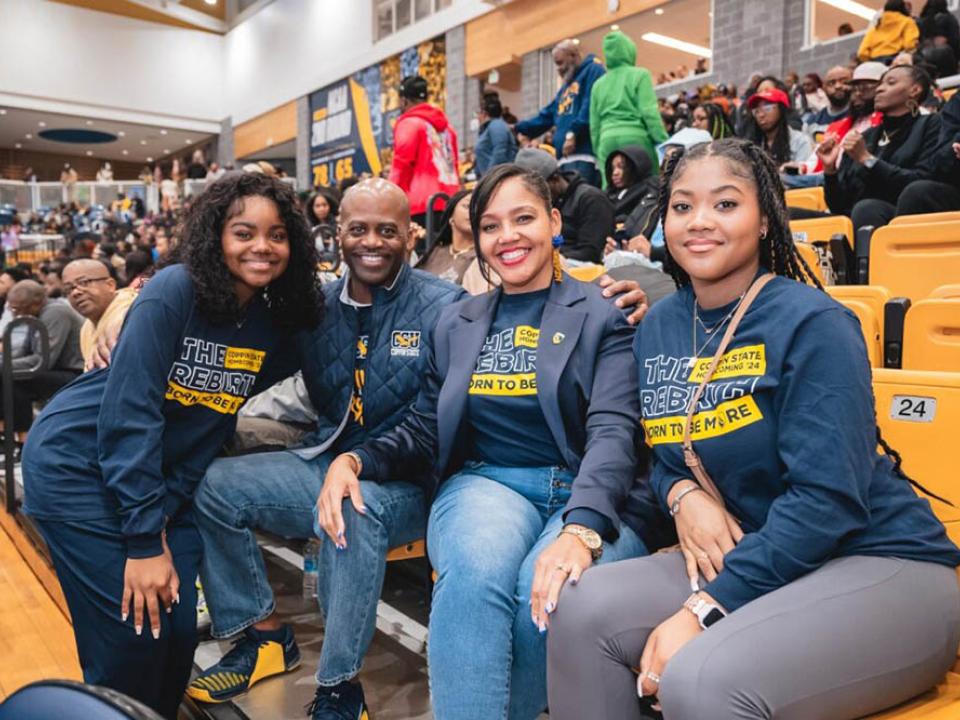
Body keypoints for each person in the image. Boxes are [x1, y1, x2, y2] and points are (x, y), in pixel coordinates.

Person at [547, 137, 960, 720]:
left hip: (881, 564)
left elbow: (827, 502)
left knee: (701, 678)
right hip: (759, 548)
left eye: (725, 204)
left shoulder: (816, 324)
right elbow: (664, 449)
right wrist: (681, 492)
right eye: (683, 206)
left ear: (766, 219)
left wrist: (703, 608)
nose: (700, 223)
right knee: (582, 607)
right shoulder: (661, 323)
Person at [320, 164, 649, 720]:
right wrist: (355, 458)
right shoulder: (458, 320)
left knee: (542, 597)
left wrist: (582, 528)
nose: (508, 237)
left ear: (553, 221)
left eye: (523, 218)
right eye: (491, 225)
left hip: (586, 489)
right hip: (487, 482)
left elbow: (614, 432)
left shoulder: (604, 311)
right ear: (478, 241)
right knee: (473, 578)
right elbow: (426, 423)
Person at [21, 173, 322, 720]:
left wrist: (165, 511)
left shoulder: (275, 324)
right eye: (244, 232)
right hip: (77, 465)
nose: (262, 246)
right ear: (216, 236)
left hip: (160, 477)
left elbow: (209, 421)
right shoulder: (174, 290)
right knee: (132, 632)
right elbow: (129, 414)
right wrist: (143, 539)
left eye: (277, 235)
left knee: (177, 629)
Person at [186, 179, 466, 712]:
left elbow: (435, 419)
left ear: (410, 235)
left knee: (349, 510)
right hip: (324, 460)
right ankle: (263, 637)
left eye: (387, 231)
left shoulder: (445, 305)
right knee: (214, 487)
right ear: (337, 233)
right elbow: (236, 335)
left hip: (412, 481)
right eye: (358, 229)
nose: (372, 242)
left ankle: (340, 685)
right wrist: (129, 308)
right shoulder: (314, 306)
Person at [821, 65, 940, 231]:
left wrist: (867, 160)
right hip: (859, 216)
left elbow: (920, 183)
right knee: (790, 214)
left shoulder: (932, 125)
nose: (880, 89)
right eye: (880, 84)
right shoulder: (866, 136)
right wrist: (830, 170)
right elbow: (839, 206)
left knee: (866, 208)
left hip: (902, 216)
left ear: (914, 90)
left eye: (890, 83)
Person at [516, 39, 606, 187]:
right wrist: (520, 128)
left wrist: (573, 134)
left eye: (560, 63)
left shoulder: (594, 70)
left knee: (582, 198)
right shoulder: (566, 86)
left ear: (573, 55)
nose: (558, 69)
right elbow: (548, 113)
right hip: (564, 157)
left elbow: (589, 106)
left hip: (584, 153)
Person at [783, 61, 885, 188]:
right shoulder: (838, 126)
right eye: (855, 88)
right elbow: (817, 158)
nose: (858, 93)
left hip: (852, 180)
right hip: (827, 178)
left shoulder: (885, 121)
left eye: (865, 88)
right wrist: (801, 167)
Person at [589, 30, 668, 190]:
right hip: (636, 138)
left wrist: (599, 149)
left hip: (606, 140)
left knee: (610, 190)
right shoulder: (640, 75)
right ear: (630, 50)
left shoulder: (598, 84)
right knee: (647, 189)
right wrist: (664, 141)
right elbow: (649, 112)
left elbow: (594, 125)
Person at [2, 279, 83, 431]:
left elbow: (43, 360)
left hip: (72, 373)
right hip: (54, 369)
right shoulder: (37, 315)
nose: (16, 313)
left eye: (19, 309)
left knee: (13, 380)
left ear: (35, 303)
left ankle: (22, 434)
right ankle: (10, 430)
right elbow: (25, 351)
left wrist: (4, 364)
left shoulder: (55, 312)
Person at [515, 147, 614, 263]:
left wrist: (543, 258)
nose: (536, 196)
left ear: (555, 179)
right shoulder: (547, 204)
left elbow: (591, 253)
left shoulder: (591, 200)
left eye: (539, 190)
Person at [388, 75, 460, 227]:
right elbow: (455, 165)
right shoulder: (449, 129)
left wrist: (389, 198)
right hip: (451, 201)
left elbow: (401, 166)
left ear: (404, 100)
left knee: (423, 250)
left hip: (421, 205)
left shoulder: (409, 124)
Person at [888, 88, 960, 217]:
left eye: (891, 83)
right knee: (869, 208)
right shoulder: (957, 102)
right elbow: (940, 161)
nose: (881, 89)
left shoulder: (928, 122)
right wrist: (954, 149)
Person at [61, 259, 137, 371]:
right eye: (69, 288)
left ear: (110, 285)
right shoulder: (86, 328)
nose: (75, 292)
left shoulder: (131, 310)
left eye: (83, 283)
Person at [416, 189, 480, 286]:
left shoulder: (483, 257)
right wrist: (406, 253)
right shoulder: (436, 252)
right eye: (467, 206)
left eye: (480, 209)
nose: (473, 212)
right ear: (451, 217)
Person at [742, 88, 813, 166]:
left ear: (781, 109)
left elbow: (804, 175)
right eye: (756, 111)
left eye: (767, 108)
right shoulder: (752, 144)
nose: (761, 115)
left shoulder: (800, 142)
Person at [604, 145, 657, 224]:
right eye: (612, 168)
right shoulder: (609, 193)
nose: (615, 173)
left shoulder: (651, 189)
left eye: (621, 167)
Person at [475, 93, 518, 177]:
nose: (477, 117)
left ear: (484, 113)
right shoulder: (492, 126)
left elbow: (499, 153)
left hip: (497, 179)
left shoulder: (496, 125)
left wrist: (489, 178)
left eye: (478, 113)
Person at [804, 65, 853, 135]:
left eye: (844, 82)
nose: (838, 86)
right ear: (824, 88)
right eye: (832, 83)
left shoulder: (860, 117)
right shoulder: (813, 122)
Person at [918, 0, 960, 77]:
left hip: (925, 56)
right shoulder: (948, 18)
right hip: (946, 56)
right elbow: (955, 40)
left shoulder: (921, 20)